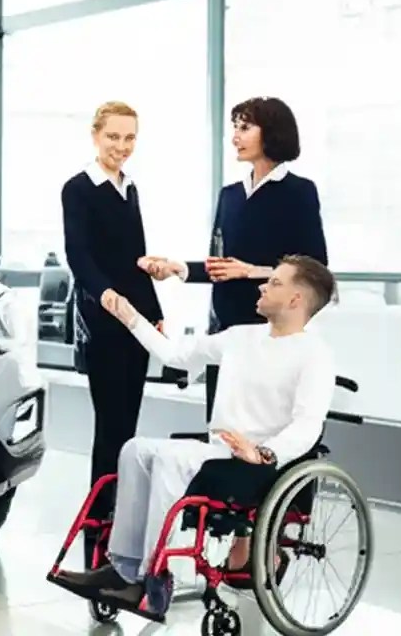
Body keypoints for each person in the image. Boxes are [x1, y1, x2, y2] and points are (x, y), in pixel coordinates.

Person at [54, 254, 337, 612]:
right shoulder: (240, 337)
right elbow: (175, 356)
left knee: (171, 460)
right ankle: (123, 569)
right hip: (218, 451)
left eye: (276, 283)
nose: (263, 285)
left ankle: (150, 577)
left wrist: (264, 452)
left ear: (297, 300)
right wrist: (130, 317)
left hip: (258, 464)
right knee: (135, 450)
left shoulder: (314, 354)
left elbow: (308, 426)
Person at [139, 97, 328, 422]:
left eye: (245, 127)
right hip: (224, 332)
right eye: (234, 128)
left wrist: (252, 272)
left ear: (270, 133)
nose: (235, 136)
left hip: (269, 332)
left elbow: (316, 266)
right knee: (220, 428)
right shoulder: (230, 195)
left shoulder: (298, 192)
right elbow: (221, 265)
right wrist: (177, 269)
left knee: (257, 430)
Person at [60, 100, 164, 566]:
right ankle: (96, 543)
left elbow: (137, 261)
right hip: (105, 323)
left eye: (130, 138)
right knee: (110, 432)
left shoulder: (131, 189)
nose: (122, 147)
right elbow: (79, 256)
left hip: (136, 325)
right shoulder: (78, 189)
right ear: (95, 135)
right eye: (113, 137)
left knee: (128, 431)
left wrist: (155, 311)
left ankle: (121, 529)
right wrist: (106, 296)